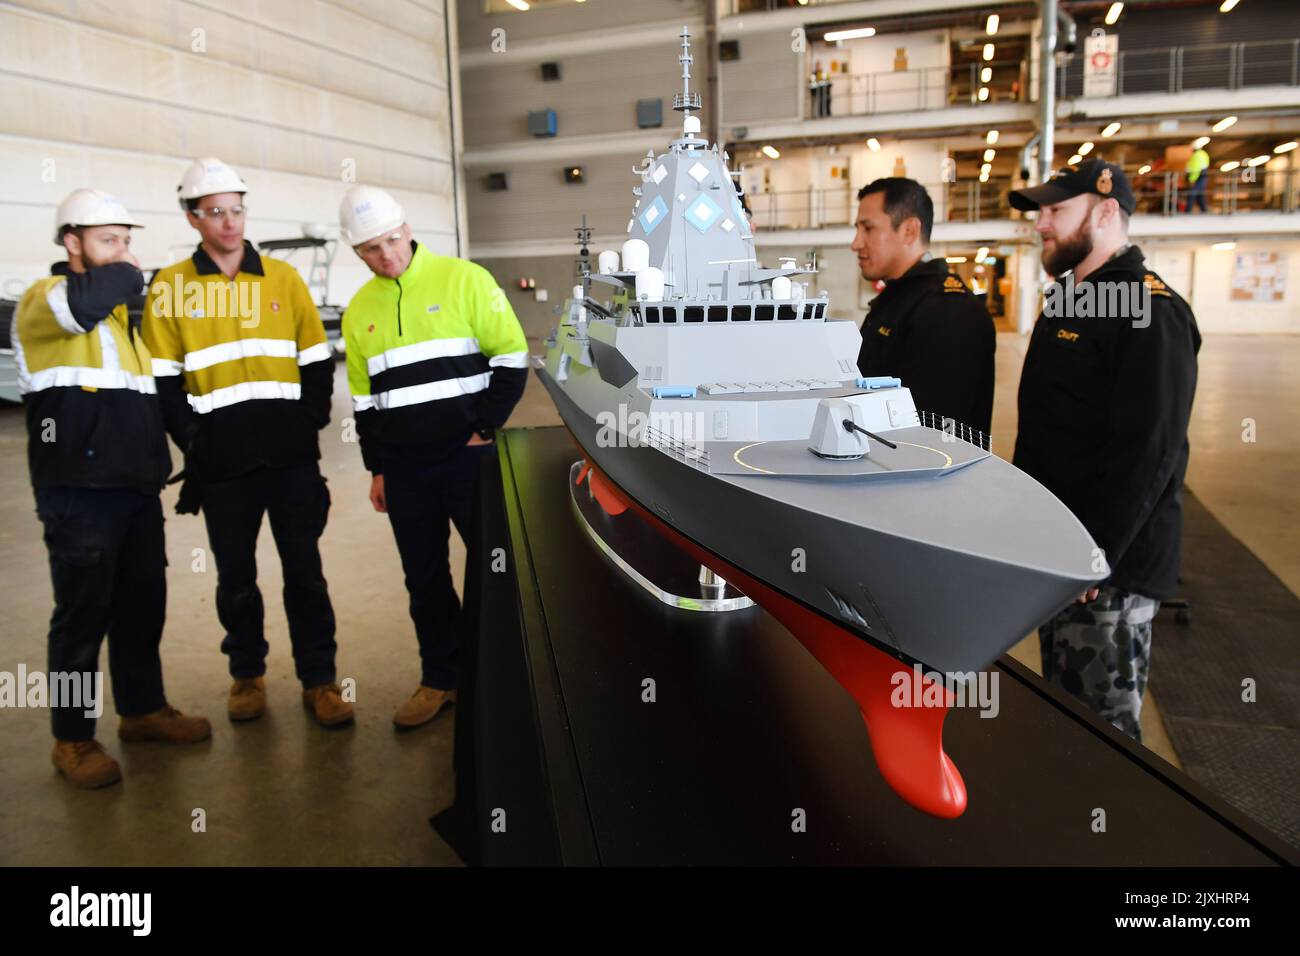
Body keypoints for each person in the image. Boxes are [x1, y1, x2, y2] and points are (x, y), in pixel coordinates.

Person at [143, 158, 350, 728]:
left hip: (289, 461)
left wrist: (305, 424)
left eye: (236, 209)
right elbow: (163, 381)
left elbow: (315, 361)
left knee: (305, 571)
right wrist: (194, 440)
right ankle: (246, 676)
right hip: (223, 464)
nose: (229, 222)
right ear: (193, 219)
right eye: (215, 212)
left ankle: (320, 680)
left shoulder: (283, 279)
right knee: (236, 577)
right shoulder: (171, 287)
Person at [15, 189, 210, 788]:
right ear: (70, 242)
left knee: (140, 605)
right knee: (81, 616)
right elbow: (93, 299)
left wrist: (189, 455)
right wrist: (126, 274)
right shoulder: (45, 301)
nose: (126, 254)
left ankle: (142, 710)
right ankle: (72, 739)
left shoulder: (126, 325)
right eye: (108, 240)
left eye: (127, 240)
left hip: (132, 489)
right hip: (77, 491)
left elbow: (151, 400)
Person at [1009, 159, 1201, 741]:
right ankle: (1071, 819)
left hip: (1107, 571)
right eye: (1040, 212)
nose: (1041, 224)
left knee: (1105, 730)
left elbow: (1149, 450)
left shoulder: (1151, 310)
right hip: (1064, 556)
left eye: (1056, 211)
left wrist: (1097, 549)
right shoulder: (1070, 298)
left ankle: (1109, 826)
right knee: (1069, 710)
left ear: (1108, 211)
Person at [338, 185, 527, 728]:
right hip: (404, 469)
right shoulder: (359, 313)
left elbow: (512, 357)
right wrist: (378, 468)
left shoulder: (466, 280)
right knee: (424, 578)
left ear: (408, 228)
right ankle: (441, 678)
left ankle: (508, 673)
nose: (388, 255)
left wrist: (485, 425)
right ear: (357, 254)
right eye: (372, 248)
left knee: (495, 568)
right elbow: (365, 402)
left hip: (467, 458)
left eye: (394, 240)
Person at [851, 177, 996, 437]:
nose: (856, 243)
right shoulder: (898, 298)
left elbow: (939, 432)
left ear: (909, 231)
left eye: (868, 229)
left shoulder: (948, 310)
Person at [1184, 144, 1210, 213]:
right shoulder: (1204, 154)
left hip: (1197, 177)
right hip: (1203, 175)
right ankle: (1204, 210)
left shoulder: (1196, 156)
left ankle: (1188, 210)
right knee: (1200, 194)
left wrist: (1192, 180)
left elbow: (1195, 169)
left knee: (1192, 193)